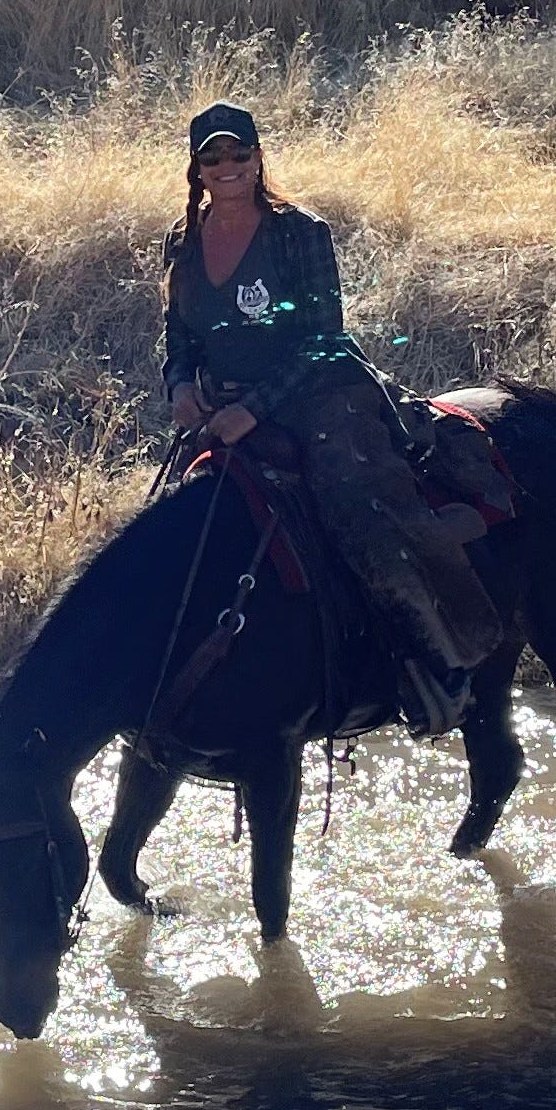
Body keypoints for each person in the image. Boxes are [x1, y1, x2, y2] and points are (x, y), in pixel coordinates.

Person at [160, 100, 507, 732]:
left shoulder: (301, 233)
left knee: (362, 514)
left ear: (258, 158)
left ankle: (435, 665)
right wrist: (180, 385)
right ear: (197, 168)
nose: (227, 165)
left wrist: (253, 410)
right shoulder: (181, 241)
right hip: (222, 407)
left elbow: (326, 340)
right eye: (213, 157)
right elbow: (179, 337)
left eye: (239, 153)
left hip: (319, 397)